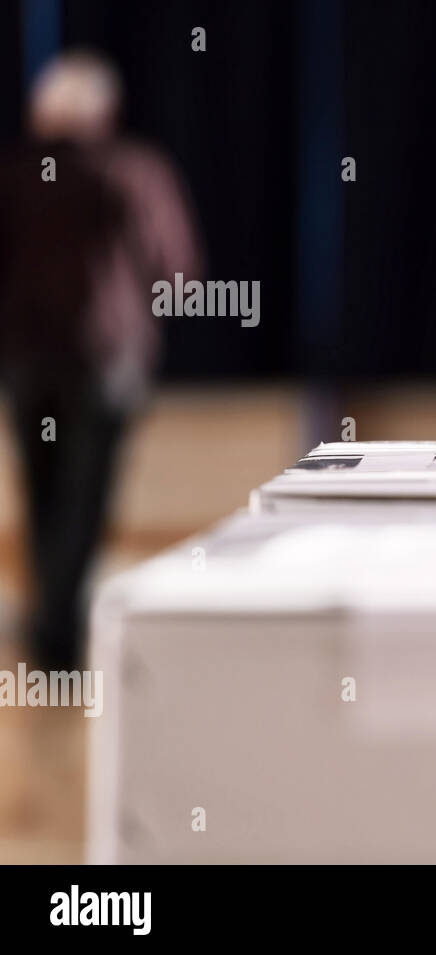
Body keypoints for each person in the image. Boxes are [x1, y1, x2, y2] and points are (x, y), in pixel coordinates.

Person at [0, 51, 201, 670]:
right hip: (106, 361)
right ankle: (59, 628)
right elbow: (177, 268)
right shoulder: (134, 174)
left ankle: (50, 627)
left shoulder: (11, 174)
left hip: (29, 357)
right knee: (84, 500)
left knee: (43, 494)